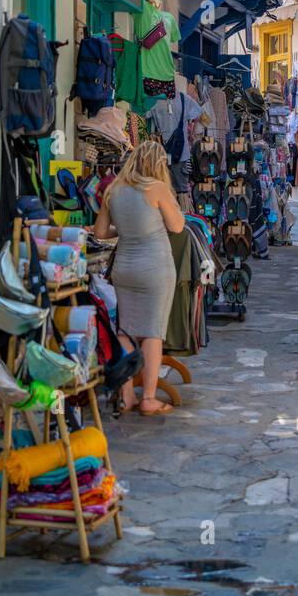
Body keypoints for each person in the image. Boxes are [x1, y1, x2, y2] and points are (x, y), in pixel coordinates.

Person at [94, 140, 185, 416]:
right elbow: (177, 226)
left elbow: (100, 232)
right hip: (155, 268)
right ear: (158, 164)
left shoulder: (114, 190)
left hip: (124, 268)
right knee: (153, 333)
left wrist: (126, 231)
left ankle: (126, 396)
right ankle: (147, 398)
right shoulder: (157, 188)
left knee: (126, 331)